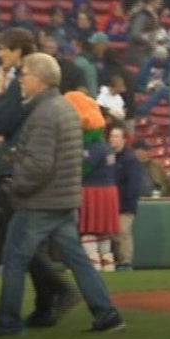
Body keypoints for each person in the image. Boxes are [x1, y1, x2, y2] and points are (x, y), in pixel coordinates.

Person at [0, 53, 124, 336]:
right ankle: (107, 314)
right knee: (78, 260)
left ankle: (8, 322)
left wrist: (15, 184)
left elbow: (39, 165)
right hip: (64, 198)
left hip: (40, 201)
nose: (21, 80)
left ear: (39, 79)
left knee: (14, 259)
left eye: (24, 74)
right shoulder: (64, 108)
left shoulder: (45, 113)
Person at [0, 28, 78, 326]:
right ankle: (45, 304)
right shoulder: (28, 82)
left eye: (4, 48)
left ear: (18, 51)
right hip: (25, 167)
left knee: (14, 244)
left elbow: (0, 123)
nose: (0, 53)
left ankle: (58, 291)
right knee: (30, 243)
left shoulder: (20, 83)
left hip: (16, 169)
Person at [67, 91, 120, 272]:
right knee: (102, 230)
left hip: (92, 190)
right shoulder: (105, 146)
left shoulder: (94, 147)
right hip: (108, 190)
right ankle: (107, 261)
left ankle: (93, 262)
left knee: (89, 228)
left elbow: (82, 169)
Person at [110, 125, 141, 270]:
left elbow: (133, 183)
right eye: (111, 136)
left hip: (125, 203)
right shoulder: (108, 156)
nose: (112, 139)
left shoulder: (130, 159)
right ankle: (117, 261)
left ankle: (126, 262)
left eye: (116, 136)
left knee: (123, 232)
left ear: (123, 139)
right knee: (114, 235)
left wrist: (129, 203)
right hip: (111, 203)